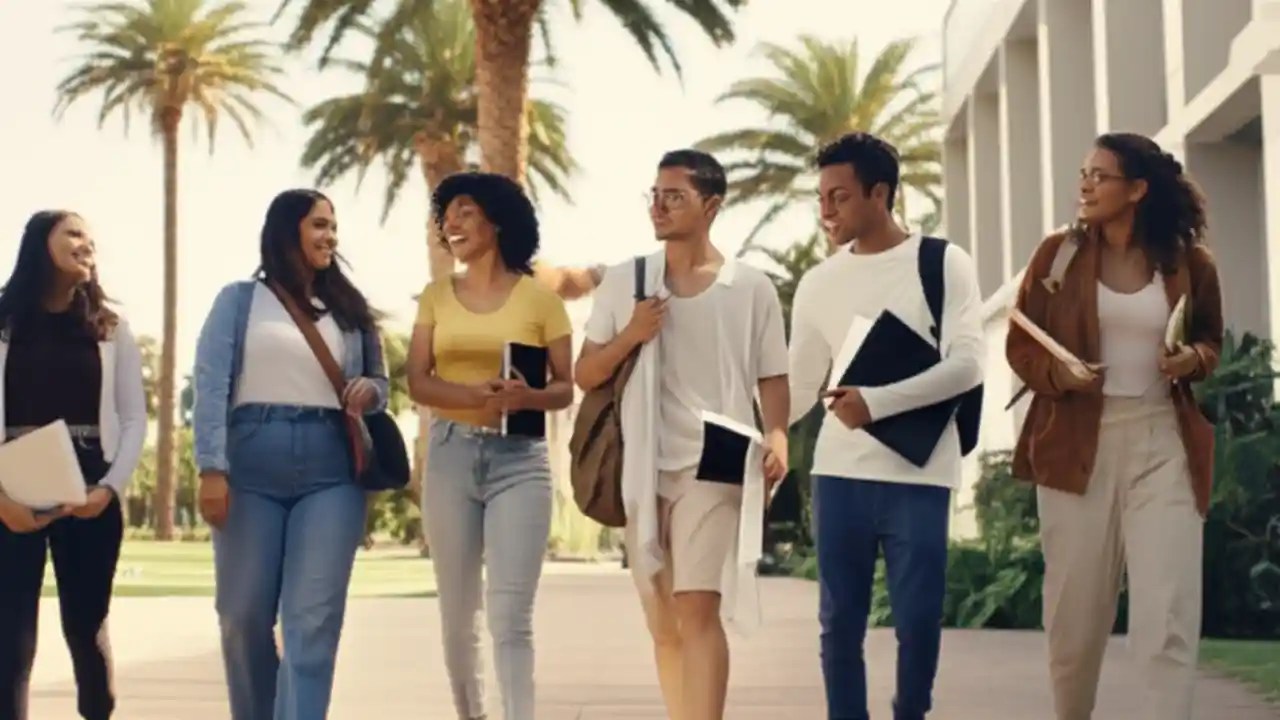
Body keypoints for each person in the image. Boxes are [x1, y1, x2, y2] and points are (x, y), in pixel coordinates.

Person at [1007, 133, 1222, 720]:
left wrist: (1191, 360)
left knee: (1169, 614)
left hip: (1162, 442)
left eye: (1099, 175)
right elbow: (1020, 346)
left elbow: (1211, 341)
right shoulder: (1057, 256)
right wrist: (1060, 373)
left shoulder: (1187, 262)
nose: (1085, 184)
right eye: (1083, 173)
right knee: (1075, 621)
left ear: (1138, 189)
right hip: (1077, 446)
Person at [575, 149, 790, 720]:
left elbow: (772, 375)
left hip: (718, 459)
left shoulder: (751, 288)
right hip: (642, 462)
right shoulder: (627, 281)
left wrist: (777, 435)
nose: (659, 205)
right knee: (664, 620)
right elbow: (586, 372)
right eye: (655, 194)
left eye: (675, 196)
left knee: (698, 608)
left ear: (712, 205)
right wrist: (633, 333)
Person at [787, 132, 984, 720]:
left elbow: (969, 364)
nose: (827, 210)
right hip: (840, 472)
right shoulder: (818, 283)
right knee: (839, 623)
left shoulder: (943, 262)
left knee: (918, 619)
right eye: (821, 197)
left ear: (881, 193)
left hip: (920, 473)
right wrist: (751, 423)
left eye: (839, 197)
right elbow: (799, 387)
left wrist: (875, 402)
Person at [192, 189, 389, 720]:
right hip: (250, 463)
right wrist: (211, 468)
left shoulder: (350, 309)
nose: (330, 236)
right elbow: (209, 387)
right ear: (288, 231)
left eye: (333, 226)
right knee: (242, 616)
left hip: (332, 470)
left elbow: (381, 383)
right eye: (319, 224)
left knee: (312, 622)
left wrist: (369, 391)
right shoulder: (238, 301)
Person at [406, 171, 574, 720]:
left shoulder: (541, 301)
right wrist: (472, 393)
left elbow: (565, 388)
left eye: (464, 211)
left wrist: (528, 397)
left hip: (520, 463)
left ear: (496, 220)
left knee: (510, 616)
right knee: (458, 619)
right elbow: (418, 380)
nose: (451, 223)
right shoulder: (436, 297)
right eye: (446, 215)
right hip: (451, 456)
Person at [0, 210, 147, 720]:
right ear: (41, 243)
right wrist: (2, 500)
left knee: (86, 629)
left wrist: (108, 488)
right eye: (74, 233)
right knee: (10, 639)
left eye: (91, 237)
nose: (87, 244)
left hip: (91, 484)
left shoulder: (110, 329)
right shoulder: (4, 323)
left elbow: (133, 418)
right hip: (12, 485)